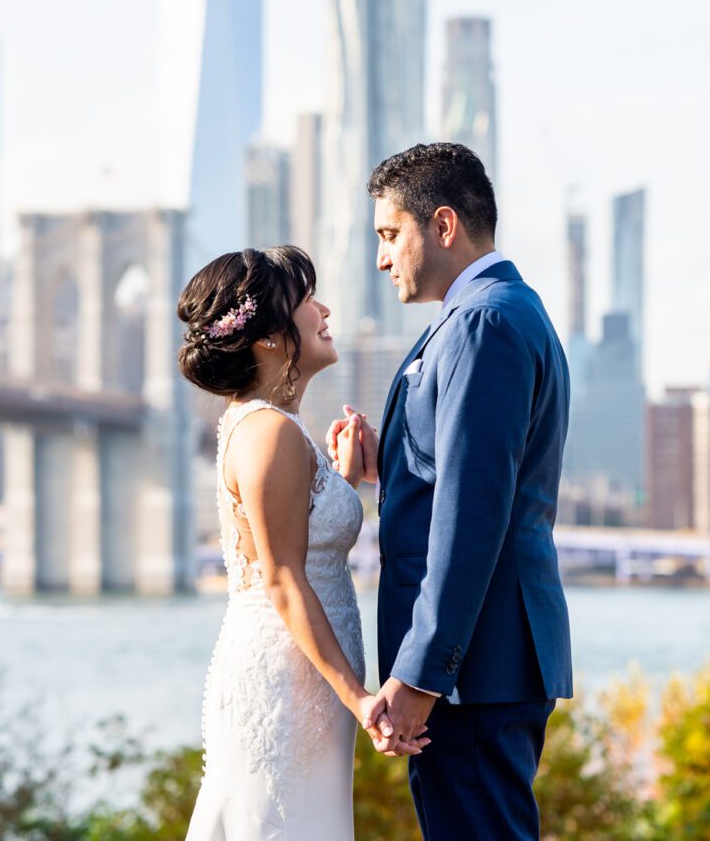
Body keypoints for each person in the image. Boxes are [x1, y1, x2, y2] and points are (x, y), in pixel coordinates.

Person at [329, 142, 574, 840]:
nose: (381, 260)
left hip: (472, 672)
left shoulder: (483, 324)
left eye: (388, 235)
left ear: (442, 226)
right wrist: (393, 462)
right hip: (486, 663)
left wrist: (420, 677)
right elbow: (474, 475)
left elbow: (473, 518)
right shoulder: (495, 313)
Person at [179, 245, 424, 841]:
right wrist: (361, 700)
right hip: (288, 690)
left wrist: (343, 478)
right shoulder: (268, 433)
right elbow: (282, 578)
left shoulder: (271, 426)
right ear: (267, 338)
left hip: (304, 684)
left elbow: (297, 538)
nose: (324, 309)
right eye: (306, 300)